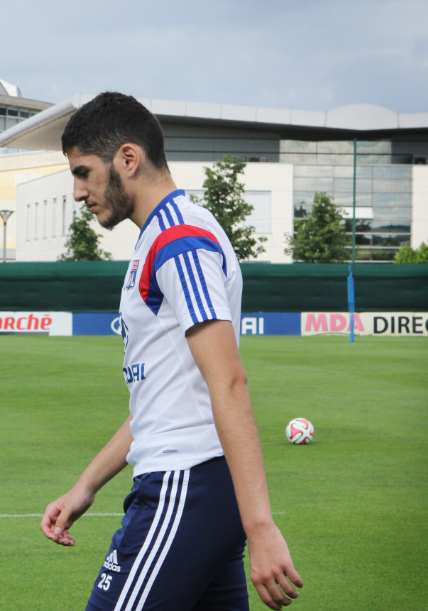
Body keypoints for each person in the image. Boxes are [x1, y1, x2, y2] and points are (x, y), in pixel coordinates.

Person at [40, 93, 303, 611]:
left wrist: (262, 526)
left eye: (84, 172)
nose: (77, 192)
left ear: (128, 159)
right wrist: (86, 486)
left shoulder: (179, 240)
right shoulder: (161, 237)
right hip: (198, 487)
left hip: (185, 486)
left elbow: (228, 380)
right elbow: (161, 400)